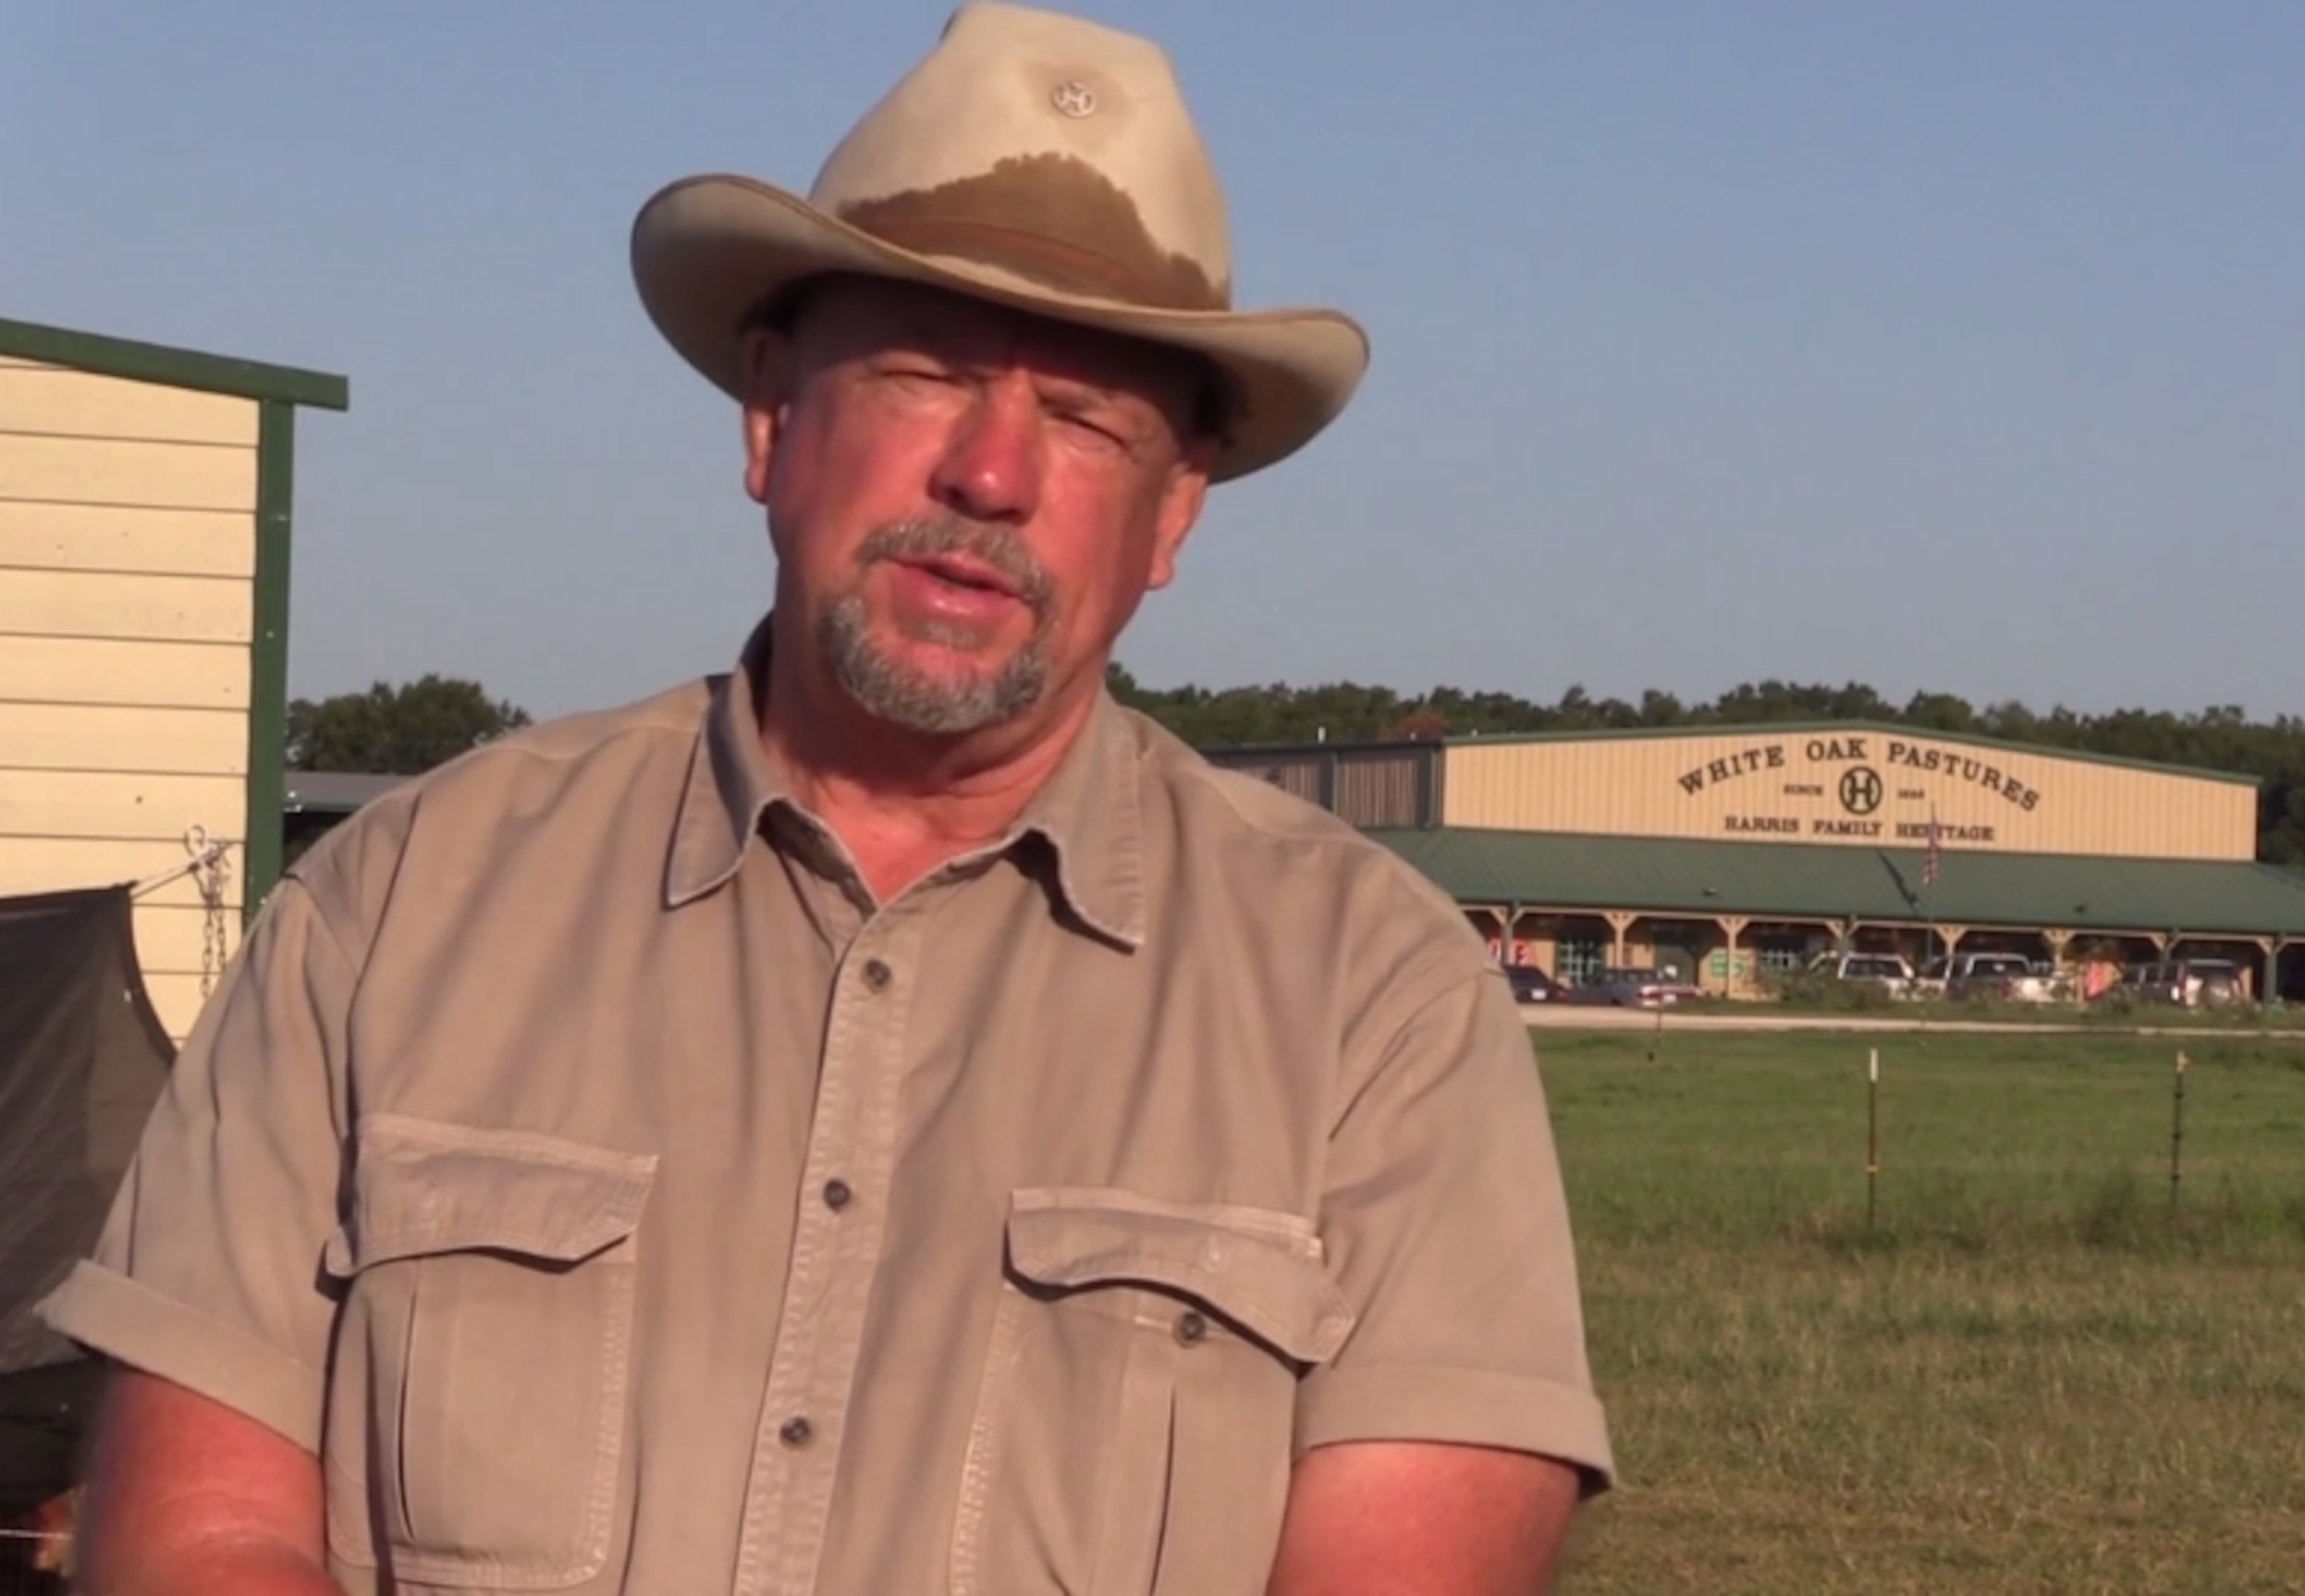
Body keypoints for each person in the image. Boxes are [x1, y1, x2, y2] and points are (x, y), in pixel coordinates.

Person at [39, 6, 1613, 1592]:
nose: (991, 476)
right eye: (927, 374)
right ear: (775, 415)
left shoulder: (1375, 1003)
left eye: (1084, 420)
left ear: (1171, 515)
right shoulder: (398, 903)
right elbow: (204, 1527)